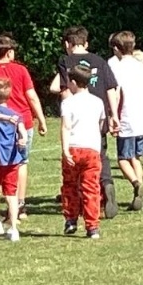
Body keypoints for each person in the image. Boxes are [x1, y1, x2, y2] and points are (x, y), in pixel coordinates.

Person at [50, 27, 120, 219]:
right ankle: (106, 183)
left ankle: (81, 200)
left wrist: (68, 111)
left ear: (67, 44)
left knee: (75, 158)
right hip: (98, 111)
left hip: (76, 115)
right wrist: (113, 114)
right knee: (99, 152)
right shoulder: (100, 61)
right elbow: (111, 89)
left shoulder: (66, 61)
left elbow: (63, 88)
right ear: (86, 43)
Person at [0, 35, 47, 217]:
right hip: (22, 121)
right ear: (9, 52)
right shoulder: (21, 70)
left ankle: (4, 198)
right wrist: (41, 118)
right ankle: (19, 204)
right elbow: (31, 95)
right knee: (21, 162)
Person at [109, 31, 143, 211]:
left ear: (116, 49)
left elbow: (116, 94)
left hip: (126, 118)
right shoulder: (142, 68)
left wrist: (114, 116)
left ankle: (136, 184)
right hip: (141, 119)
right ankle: (139, 198)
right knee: (135, 157)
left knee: (122, 158)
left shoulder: (117, 69)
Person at [61, 64, 106, 239]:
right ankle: (92, 226)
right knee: (91, 188)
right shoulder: (97, 101)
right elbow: (100, 124)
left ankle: (71, 219)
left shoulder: (68, 102)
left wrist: (65, 148)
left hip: (73, 146)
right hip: (92, 149)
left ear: (73, 82)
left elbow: (66, 126)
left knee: (70, 185)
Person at [0, 79, 28, 241]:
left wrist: (9, 121)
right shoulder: (17, 114)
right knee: (11, 194)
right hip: (13, 160)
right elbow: (22, 130)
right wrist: (22, 138)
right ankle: (14, 229)